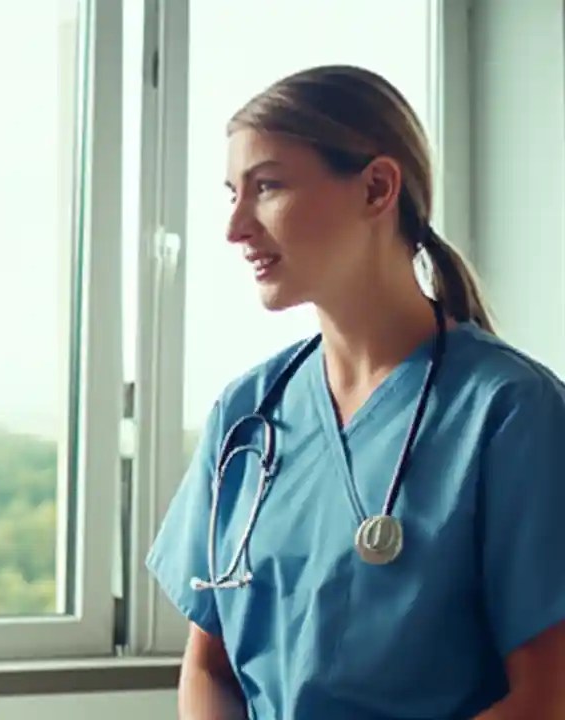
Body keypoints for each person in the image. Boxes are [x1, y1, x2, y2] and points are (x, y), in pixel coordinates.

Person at [146, 65, 565, 719]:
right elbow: (208, 667)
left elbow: (547, 696)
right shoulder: (248, 413)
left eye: (268, 187)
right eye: (232, 192)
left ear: (376, 188)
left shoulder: (509, 411)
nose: (235, 227)